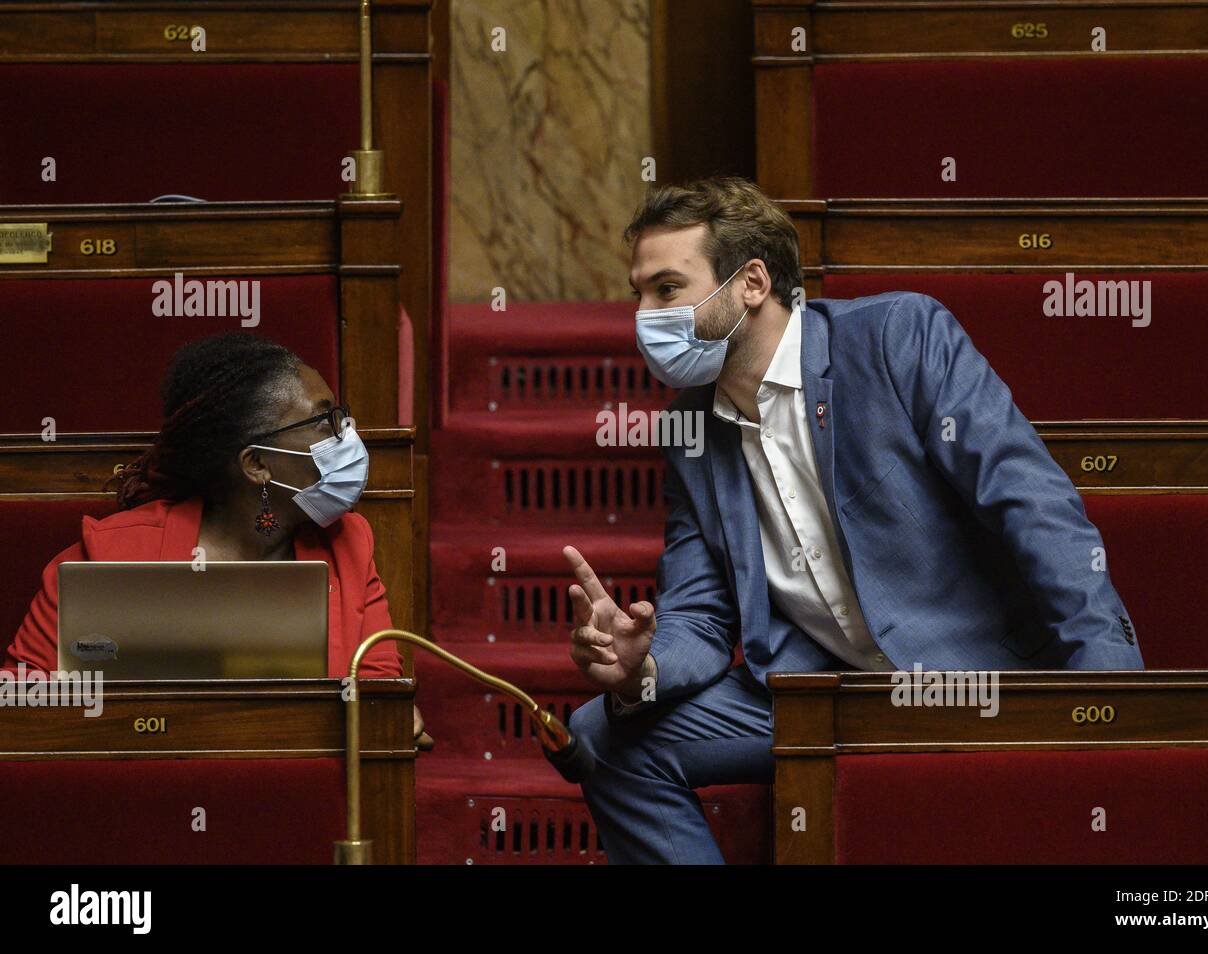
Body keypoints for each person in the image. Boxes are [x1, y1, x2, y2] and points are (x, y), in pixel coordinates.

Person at [563, 176, 1144, 863]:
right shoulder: (689, 425)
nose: (644, 315)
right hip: (816, 692)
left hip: (963, 674)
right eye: (638, 293)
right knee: (601, 737)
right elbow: (699, 613)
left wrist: (1109, 688)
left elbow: (1033, 507)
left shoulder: (900, 336)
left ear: (751, 283)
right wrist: (642, 669)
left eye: (666, 289)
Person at [4, 332, 431, 747]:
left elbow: (378, 683)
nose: (346, 434)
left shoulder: (348, 543)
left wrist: (391, 715)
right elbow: (20, 709)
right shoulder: (107, 556)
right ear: (258, 464)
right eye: (325, 421)